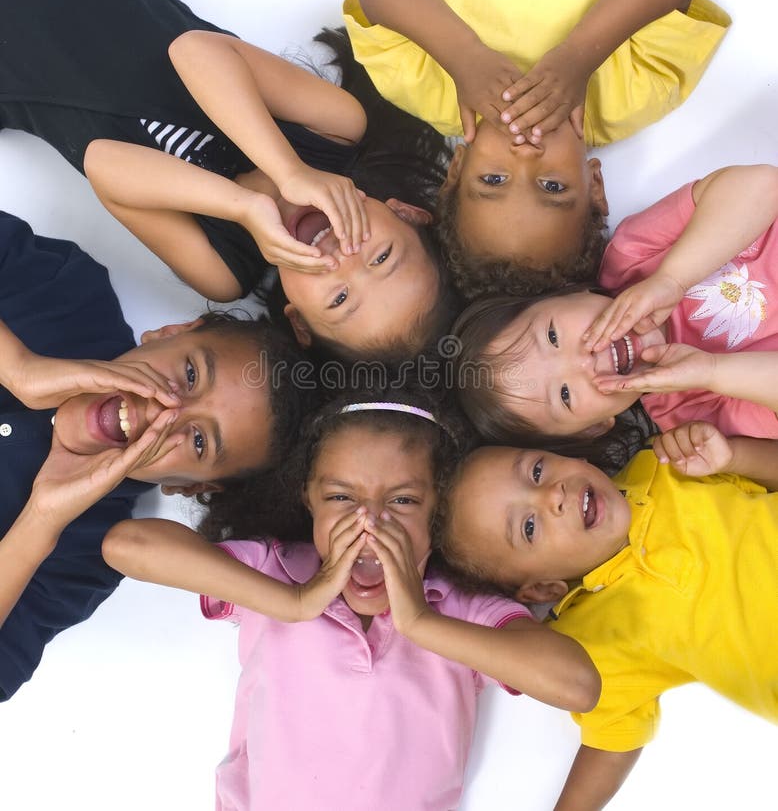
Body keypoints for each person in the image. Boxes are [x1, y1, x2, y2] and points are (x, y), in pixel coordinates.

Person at [102, 394, 601, 810]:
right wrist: (296, 601)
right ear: (309, 500)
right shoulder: (275, 574)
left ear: (438, 513)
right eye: (341, 498)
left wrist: (419, 621)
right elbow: (127, 546)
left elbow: (578, 686)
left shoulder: (460, 612)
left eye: (403, 501)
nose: (370, 521)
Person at [0, 0, 458, 360]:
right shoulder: (336, 128)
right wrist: (288, 171)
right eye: (380, 258)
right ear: (407, 213)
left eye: (339, 299)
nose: (343, 258)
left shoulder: (224, 268)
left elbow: (103, 161)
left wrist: (244, 206)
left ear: (298, 320)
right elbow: (194, 51)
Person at [0, 209, 310, 700]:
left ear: (190, 485)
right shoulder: (66, 292)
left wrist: (39, 519)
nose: (165, 412)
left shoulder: (78, 559)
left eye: (200, 441)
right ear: (172, 332)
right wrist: (17, 367)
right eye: (190, 374)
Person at [344, 0, 730, 298]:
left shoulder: (434, 93)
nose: (525, 155)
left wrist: (462, 55)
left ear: (457, 168)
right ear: (594, 185)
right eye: (552, 186)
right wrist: (581, 55)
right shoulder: (624, 99)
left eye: (493, 180)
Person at [437, 435, 778, 810]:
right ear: (542, 588)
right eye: (529, 527)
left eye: (537, 471)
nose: (553, 495)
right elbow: (612, 743)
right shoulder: (588, 644)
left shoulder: (663, 464)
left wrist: (733, 454)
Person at [452, 164, 778, 478]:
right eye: (565, 395)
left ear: (569, 292)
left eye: (553, 337)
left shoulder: (632, 258)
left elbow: (764, 184)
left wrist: (673, 279)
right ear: (596, 426)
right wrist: (712, 372)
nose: (585, 359)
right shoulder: (685, 411)